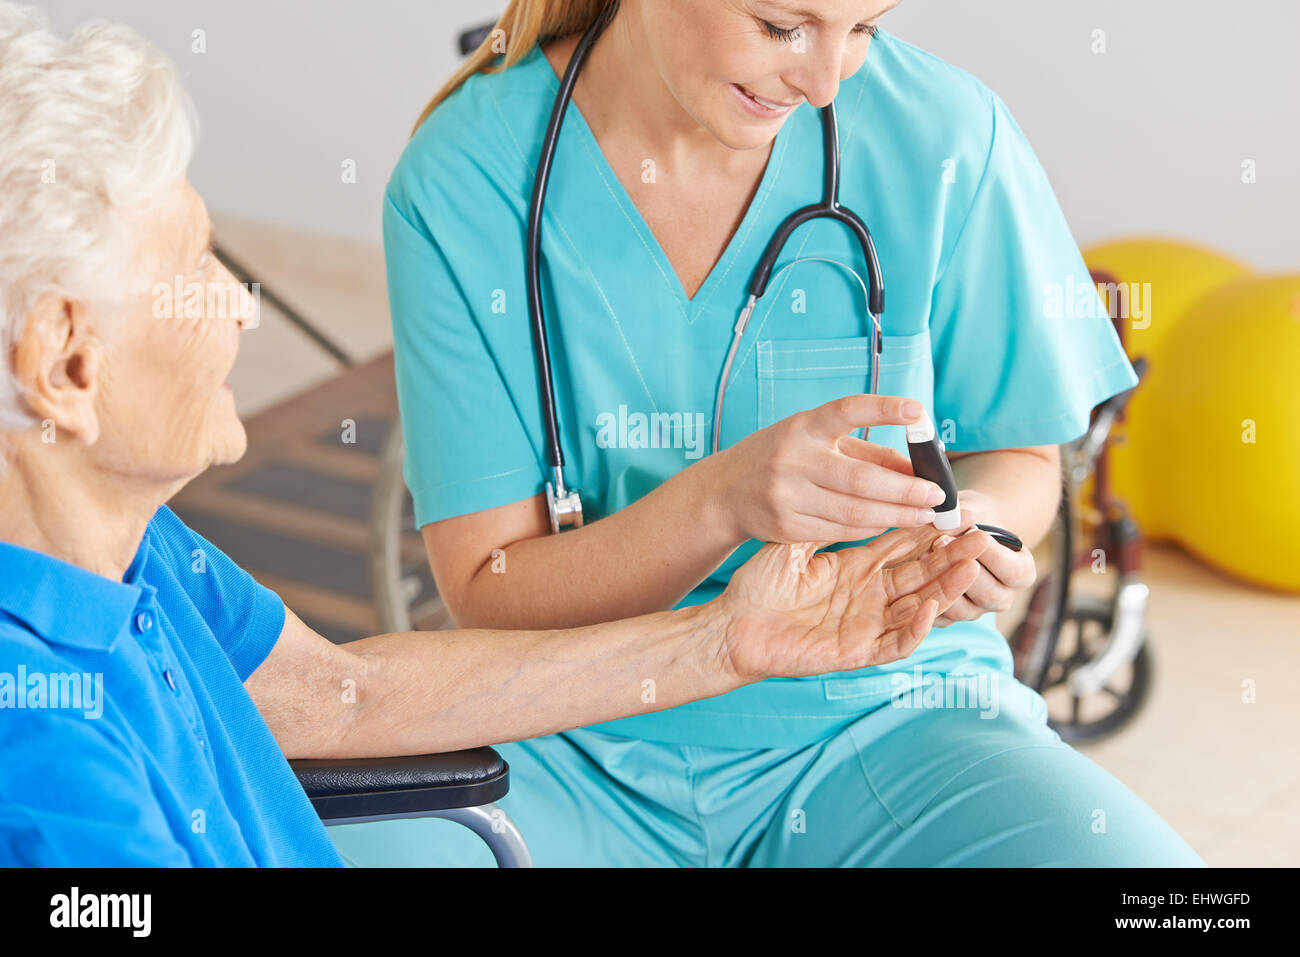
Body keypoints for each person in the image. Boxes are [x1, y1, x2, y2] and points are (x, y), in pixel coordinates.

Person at [0, 1, 990, 866]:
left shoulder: (135, 551)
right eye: (193, 271)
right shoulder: (45, 758)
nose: (240, 310)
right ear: (67, 367)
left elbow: (339, 696)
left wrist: (728, 639)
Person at [334, 0, 1206, 865]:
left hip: (895, 715)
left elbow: (1019, 451)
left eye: (862, 28)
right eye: (782, 27)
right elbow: (489, 586)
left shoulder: (944, 136)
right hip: (569, 729)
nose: (825, 80)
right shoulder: (466, 176)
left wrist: (977, 529)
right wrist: (722, 502)